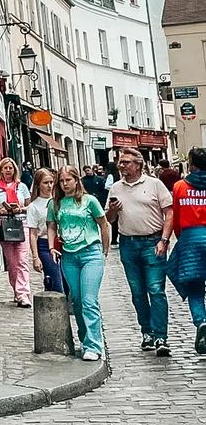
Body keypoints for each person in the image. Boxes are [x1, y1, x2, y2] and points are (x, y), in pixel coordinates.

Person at [106, 148, 172, 356]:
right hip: (128, 243)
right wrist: (113, 211)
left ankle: (161, 336)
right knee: (137, 292)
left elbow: (169, 213)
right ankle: (147, 332)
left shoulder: (154, 184)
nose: (121, 165)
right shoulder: (116, 188)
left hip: (152, 241)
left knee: (156, 290)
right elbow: (109, 219)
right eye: (120, 162)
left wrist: (164, 239)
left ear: (138, 165)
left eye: (126, 162)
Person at [47, 166, 110, 361]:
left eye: (68, 180)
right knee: (77, 300)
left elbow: (103, 223)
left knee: (89, 300)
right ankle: (85, 340)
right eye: (61, 181)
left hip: (90, 253)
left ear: (76, 180)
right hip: (69, 256)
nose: (64, 184)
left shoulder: (89, 201)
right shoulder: (55, 203)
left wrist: (104, 248)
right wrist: (51, 247)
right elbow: (51, 226)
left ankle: (94, 344)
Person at [161, 146, 206, 354]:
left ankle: (201, 321)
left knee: (195, 287)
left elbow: (176, 218)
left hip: (190, 240)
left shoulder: (180, 186)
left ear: (191, 164)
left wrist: (181, 238)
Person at [0, 157, 32, 307]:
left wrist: (20, 209)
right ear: (1, 170)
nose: (8, 170)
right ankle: (16, 290)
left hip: (22, 223)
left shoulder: (22, 187)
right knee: (12, 261)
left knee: (22, 259)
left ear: (15, 170)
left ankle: (23, 293)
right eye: (5, 168)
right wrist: (3, 210)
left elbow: (30, 205)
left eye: (11, 168)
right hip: (4, 224)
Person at [26, 169, 64, 293]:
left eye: (51, 182)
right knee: (56, 281)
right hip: (44, 244)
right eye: (45, 183)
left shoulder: (60, 201)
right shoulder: (34, 206)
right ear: (38, 185)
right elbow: (33, 233)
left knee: (67, 281)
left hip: (63, 243)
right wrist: (35, 257)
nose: (49, 186)